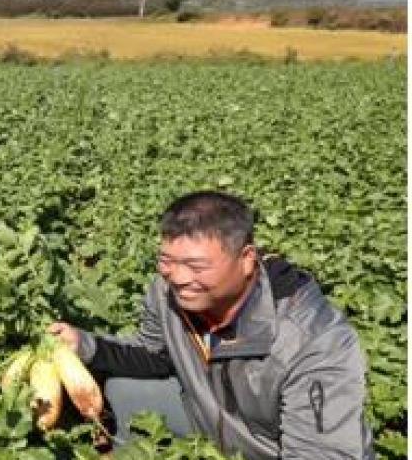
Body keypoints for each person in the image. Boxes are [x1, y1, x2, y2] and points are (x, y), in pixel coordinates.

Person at [48, 190, 374, 460]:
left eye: (195, 265)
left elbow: (325, 453)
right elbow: (154, 353)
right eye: (166, 260)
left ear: (247, 259)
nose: (177, 277)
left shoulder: (311, 340)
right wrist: (84, 344)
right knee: (124, 390)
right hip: (207, 419)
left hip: (270, 449)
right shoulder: (167, 294)